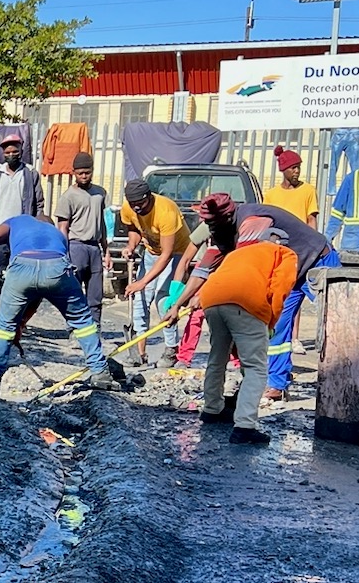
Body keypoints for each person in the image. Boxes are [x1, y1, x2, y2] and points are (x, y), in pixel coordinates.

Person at [194, 195, 340, 399]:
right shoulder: (222, 230)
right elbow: (203, 268)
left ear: (225, 217)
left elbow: (248, 268)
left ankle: (341, 380)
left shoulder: (252, 222)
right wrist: (181, 303)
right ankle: (277, 384)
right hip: (288, 272)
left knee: (336, 323)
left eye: (209, 222)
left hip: (316, 260)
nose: (207, 226)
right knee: (278, 325)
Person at [178, 215, 301, 446]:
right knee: (255, 367)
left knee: (217, 357)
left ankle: (212, 409)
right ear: (281, 243)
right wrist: (270, 322)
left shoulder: (239, 252)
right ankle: (245, 426)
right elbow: (280, 288)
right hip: (245, 301)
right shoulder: (285, 254)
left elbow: (217, 276)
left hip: (212, 298)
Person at [0, 213, 123, 394]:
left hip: (22, 267)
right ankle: (100, 372)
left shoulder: (18, 220)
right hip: (57, 268)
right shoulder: (59, 234)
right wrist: (21, 323)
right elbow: (41, 290)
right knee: (83, 322)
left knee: (4, 326)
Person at [117, 178, 194, 368]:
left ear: (149, 197)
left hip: (177, 253)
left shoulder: (166, 211)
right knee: (140, 300)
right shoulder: (129, 207)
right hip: (151, 252)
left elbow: (166, 254)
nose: (136, 209)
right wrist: (131, 245)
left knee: (163, 299)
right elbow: (134, 229)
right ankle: (139, 354)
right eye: (133, 205)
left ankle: (171, 350)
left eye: (140, 204)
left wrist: (142, 281)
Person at [0, 128, 46, 290]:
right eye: (7, 152)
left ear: (20, 151)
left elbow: (39, 203)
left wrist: (36, 229)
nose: (11, 155)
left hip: (21, 234)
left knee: (19, 273)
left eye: (15, 151)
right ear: (3, 153)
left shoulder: (30, 173)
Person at [52, 152, 110, 326]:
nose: (84, 176)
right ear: (73, 173)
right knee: (74, 291)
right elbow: (62, 227)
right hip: (75, 247)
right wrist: (64, 253)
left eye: (87, 172)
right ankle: (75, 328)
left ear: (92, 171)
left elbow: (103, 224)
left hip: (95, 248)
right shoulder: (68, 197)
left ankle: (95, 328)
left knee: (95, 294)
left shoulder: (100, 193)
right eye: (80, 173)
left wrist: (106, 251)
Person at [262, 146, 319, 228]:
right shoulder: (271, 195)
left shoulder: (308, 190)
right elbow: (266, 222)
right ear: (284, 169)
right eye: (293, 168)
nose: (297, 171)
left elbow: (311, 220)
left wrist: (313, 239)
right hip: (278, 238)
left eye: (298, 167)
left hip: (301, 238)